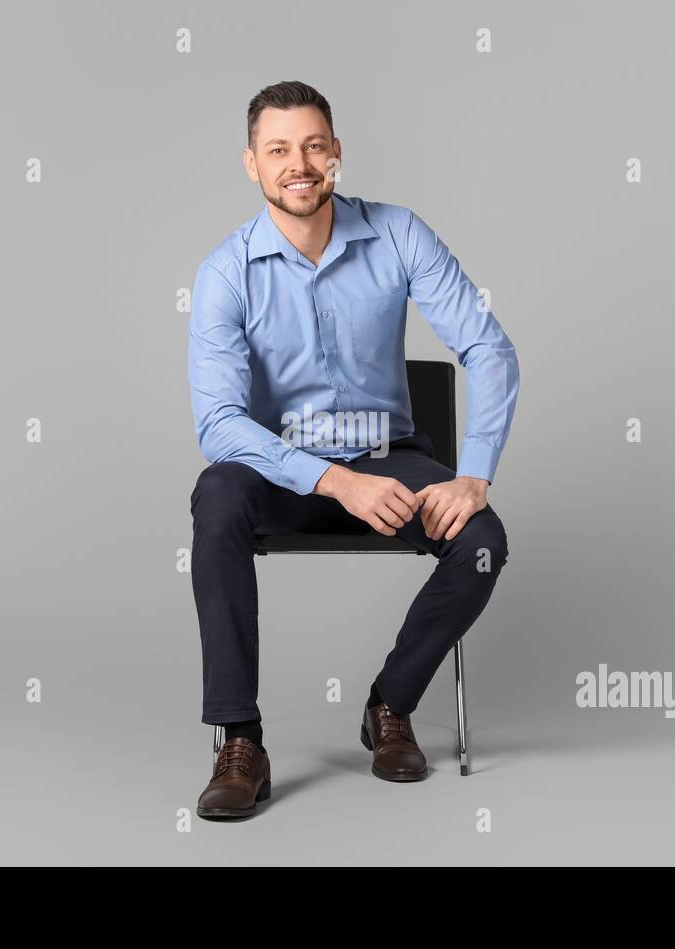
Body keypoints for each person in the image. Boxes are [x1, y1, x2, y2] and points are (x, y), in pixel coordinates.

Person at [187, 81, 519, 820]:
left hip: (388, 455)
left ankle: (389, 706)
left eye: (313, 146)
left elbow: (489, 349)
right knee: (217, 497)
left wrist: (475, 474)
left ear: (335, 154)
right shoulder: (225, 273)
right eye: (279, 150)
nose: (297, 163)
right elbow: (218, 422)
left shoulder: (399, 234)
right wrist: (334, 481)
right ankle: (239, 740)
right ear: (253, 164)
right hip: (282, 469)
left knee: (483, 542)